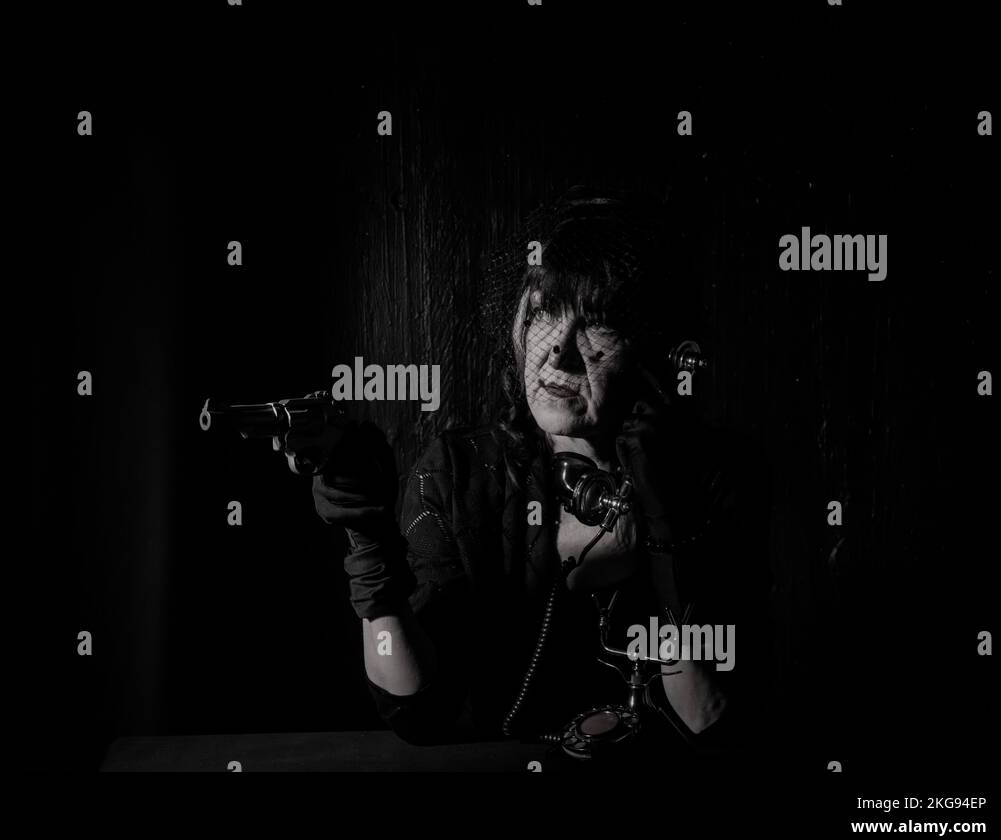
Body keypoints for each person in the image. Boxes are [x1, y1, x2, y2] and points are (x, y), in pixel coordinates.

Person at [302, 188, 771, 760]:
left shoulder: (715, 479)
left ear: (658, 353)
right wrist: (367, 545)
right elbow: (417, 707)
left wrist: (665, 520)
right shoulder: (458, 475)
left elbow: (707, 717)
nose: (558, 354)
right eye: (545, 311)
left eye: (597, 326)